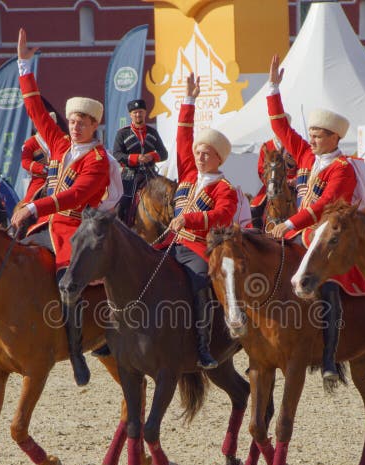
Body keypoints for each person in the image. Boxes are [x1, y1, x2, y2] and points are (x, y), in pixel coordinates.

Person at [11, 28, 110, 387]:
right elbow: (35, 110)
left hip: (76, 229)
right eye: (73, 120)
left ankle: (76, 350)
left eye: (83, 122)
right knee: (3, 251)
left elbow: (75, 196)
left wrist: (35, 207)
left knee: (67, 286)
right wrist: (24, 66)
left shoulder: (98, 159)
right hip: (44, 224)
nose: (76, 126)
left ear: (95, 125)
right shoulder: (58, 143)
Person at [266, 54, 365, 384]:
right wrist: (273, 89)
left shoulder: (343, 168)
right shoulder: (307, 156)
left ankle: (329, 357)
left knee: (330, 287)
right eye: (311, 134)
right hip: (300, 233)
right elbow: (280, 127)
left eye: (319, 135)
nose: (311, 140)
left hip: (326, 236)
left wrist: (290, 223)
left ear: (335, 137)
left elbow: (325, 205)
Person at [165, 72, 238, 369]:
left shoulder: (225, 188)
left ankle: (203, 345)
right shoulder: (189, 173)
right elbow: (182, 137)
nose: (199, 157)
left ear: (219, 158)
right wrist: (189, 100)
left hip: (199, 249)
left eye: (206, 153)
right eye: (198, 152)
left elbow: (221, 216)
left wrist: (188, 218)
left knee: (199, 285)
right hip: (172, 243)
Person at [112, 98, 168, 224]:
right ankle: (121, 227)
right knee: (122, 203)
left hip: (150, 174)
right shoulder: (122, 133)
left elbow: (164, 154)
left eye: (140, 112)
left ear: (145, 113)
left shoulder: (153, 132)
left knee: (167, 197)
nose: (138, 115)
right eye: (135, 112)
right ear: (130, 115)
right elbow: (116, 154)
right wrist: (136, 158)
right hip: (130, 175)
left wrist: (152, 156)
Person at [249, 115, 298, 220]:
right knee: (254, 209)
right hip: (272, 184)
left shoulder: (296, 145)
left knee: (308, 207)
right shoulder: (266, 146)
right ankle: (257, 229)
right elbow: (261, 170)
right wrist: (270, 182)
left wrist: (295, 180)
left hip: (294, 185)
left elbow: (304, 166)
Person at [20, 111, 57, 204]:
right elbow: (25, 162)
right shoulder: (30, 143)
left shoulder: (59, 141)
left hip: (59, 178)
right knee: (28, 203)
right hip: (40, 180)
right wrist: (42, 169)